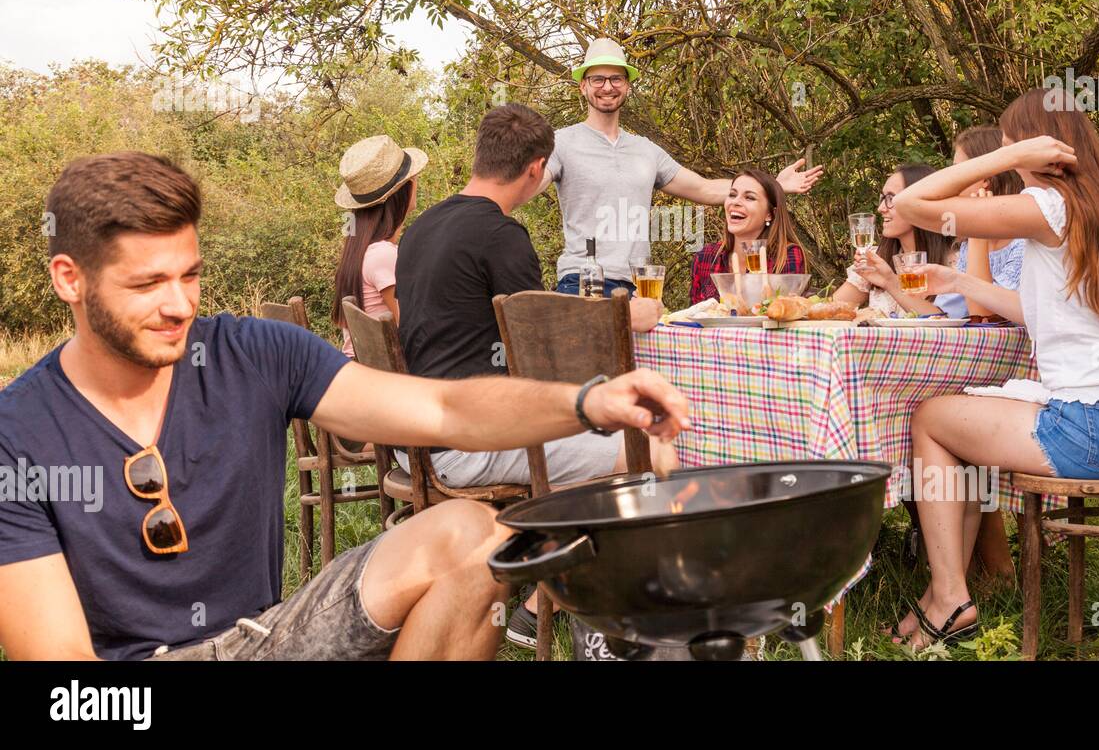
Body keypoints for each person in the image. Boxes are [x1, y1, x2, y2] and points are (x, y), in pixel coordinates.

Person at [0, 152, 689, 661]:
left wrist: (588, 401)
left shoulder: (253, 354)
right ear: (70, 279)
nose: (180, 305)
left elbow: (444, 412)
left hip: (262, 641)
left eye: (190, 275)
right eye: (148, 283)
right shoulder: (18, 435)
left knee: (469, 533)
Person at [884, 87, 1099, 650]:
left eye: (1014, 145)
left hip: (1089, 432)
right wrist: (959, 282)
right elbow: (1043, 311)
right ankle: (958, 584)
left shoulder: (1049, 206)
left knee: (931, 415)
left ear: (1040, 150)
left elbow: (914, 204)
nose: (1010, 159)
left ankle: (949, 595)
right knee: (958, 412)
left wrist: (1005, 157)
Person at [395, 103, 671, 649]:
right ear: (536, 169)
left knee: (601, 446)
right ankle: (591, 620)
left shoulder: (421, 228)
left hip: (416, 436)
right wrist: (620, 316)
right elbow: (541, 361)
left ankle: (549, 588)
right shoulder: (503, 237)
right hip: (464, 442)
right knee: (648, 451)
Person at [540, 38, 824, 295]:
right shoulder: (561, 142)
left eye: (616, 78)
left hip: (635, 286)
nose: (607, 87)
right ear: (583, 85)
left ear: (626, 85)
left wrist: (773, 186)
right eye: (597, 79)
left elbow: (704, 188)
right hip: (582, 280)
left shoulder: (646, 150)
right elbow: (529, 182)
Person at [331, 134, 424, 357]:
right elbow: (414, 329)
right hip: (385, 377)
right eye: (413, 179)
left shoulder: (360, 251)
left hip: (363, 371)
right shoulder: (383, 255)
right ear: (404, 190)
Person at [832, 163, 955, 315]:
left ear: (922, 203)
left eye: (891, 198)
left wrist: (890, 281)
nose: (881, 208)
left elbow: (943, 322)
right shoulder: (876, 259)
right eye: (882, 198)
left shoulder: (955, 263)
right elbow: (832, 309)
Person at [933, 126, 1025, 319]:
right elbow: (946, 315)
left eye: (957, 169)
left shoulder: (1024, 242)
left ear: (986, 178)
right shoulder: (970, 244)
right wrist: (890, 281)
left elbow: (983, 313)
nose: (949, 178)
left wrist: (977, 226)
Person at [689, 169, 806, 305]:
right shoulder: (705, 257)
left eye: (749, 197)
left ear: (769, 214)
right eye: (732, 195)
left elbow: (785, 314)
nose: (735, 202)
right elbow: (693, 317)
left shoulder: (786, 256)